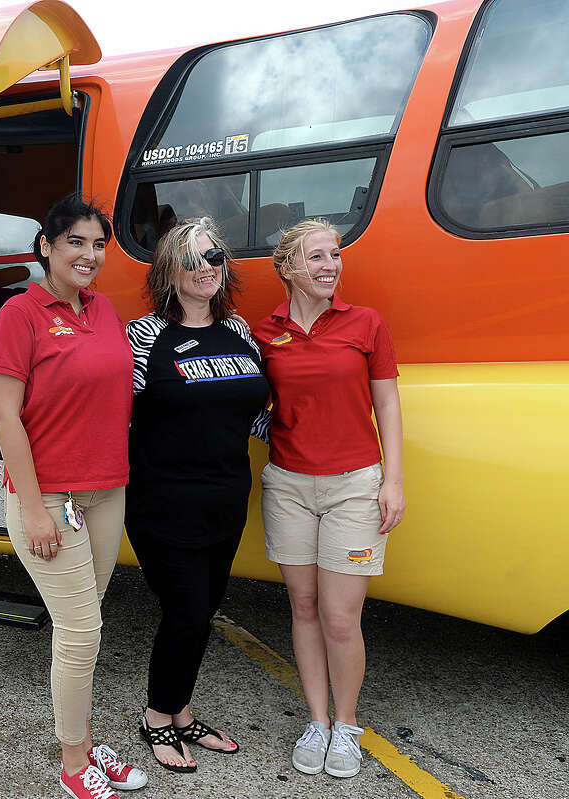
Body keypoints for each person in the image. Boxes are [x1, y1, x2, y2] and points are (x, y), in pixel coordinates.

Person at [0, 195, 148, 799]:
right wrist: (32, 509)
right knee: (81, 631)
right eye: (76, 242)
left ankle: (81, 734)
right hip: (49, 498)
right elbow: (4, 416)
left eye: (98, 244)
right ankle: (74, 761)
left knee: (83, 627)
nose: (89, 255)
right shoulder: (19, 315)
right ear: (47, 248)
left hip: (107, 493)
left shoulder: (104, 310)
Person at [252, 219, 405, 779]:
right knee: (303, 607)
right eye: (317, 257)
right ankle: (316, 721)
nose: (330, 267)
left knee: (342, 617)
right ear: (288, 267)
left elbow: (386, 405)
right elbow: (242, 393)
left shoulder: (365, 324)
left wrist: (393, 480)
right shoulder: (263, 332)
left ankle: (346, 726)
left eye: (335, 256)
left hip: (354, 487)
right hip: (288, 486)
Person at [124, 218, 270, 774]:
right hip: (163, 501)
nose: (206, 267)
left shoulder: (238, 332)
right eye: (192, 259)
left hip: (227, 497)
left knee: (203, 611)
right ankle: (157, 716)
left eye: (214, 257)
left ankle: (181, 712)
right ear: (168, 271)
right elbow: (119, 417)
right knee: (185, 611)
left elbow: (254, 414)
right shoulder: (144, 335)